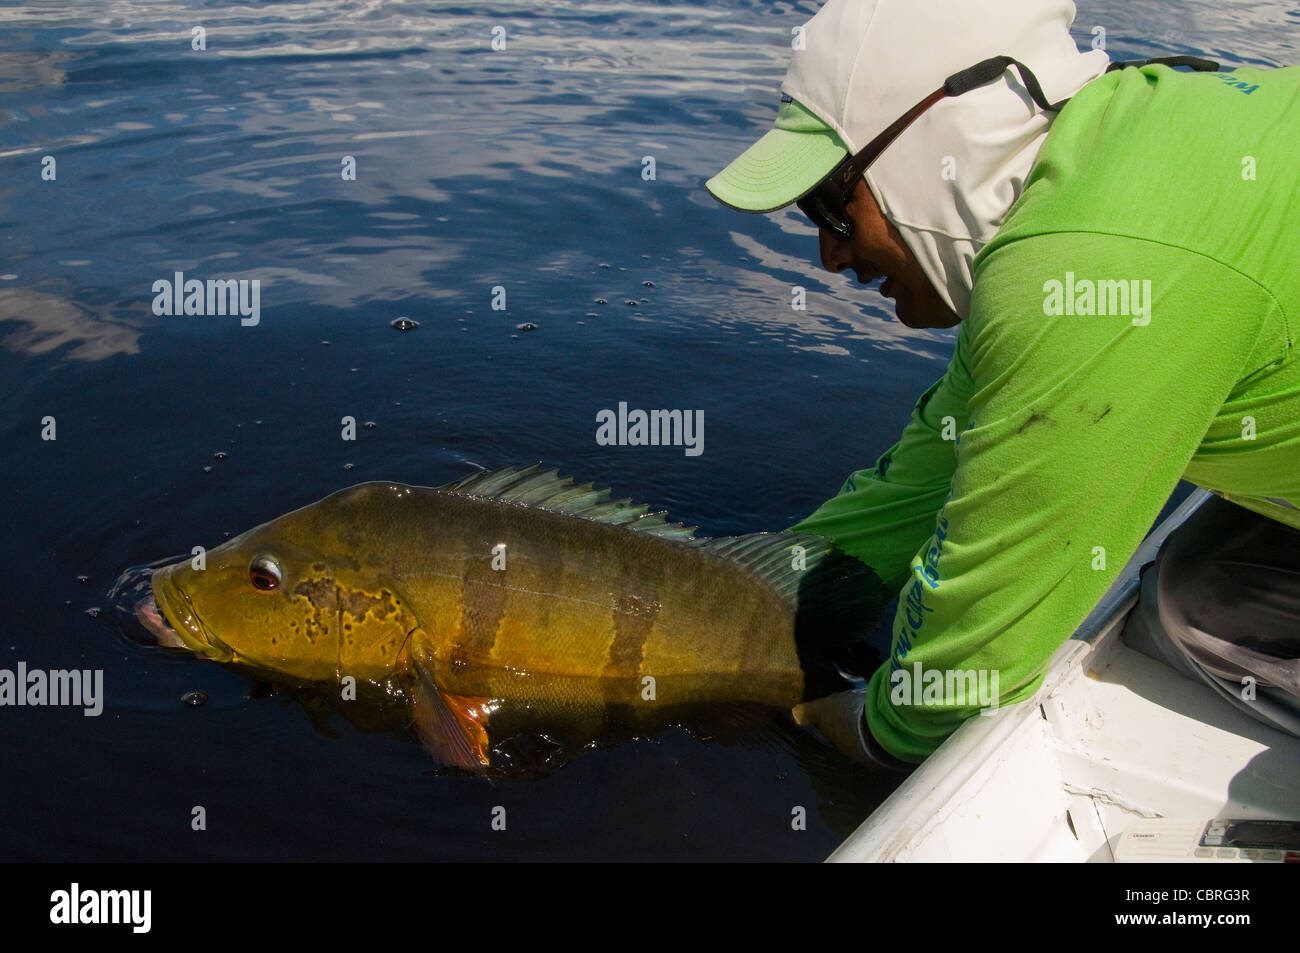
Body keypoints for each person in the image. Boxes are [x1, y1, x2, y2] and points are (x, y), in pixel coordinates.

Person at [705, 0, 1300, 771]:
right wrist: (721, 598)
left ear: (934, 138)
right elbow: (912, 491)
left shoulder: (1091, 263)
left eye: (832, 204)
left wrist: (862, 729)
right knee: (1200, 595)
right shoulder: (1098, 178)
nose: (827, 255)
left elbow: (964, 666)